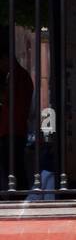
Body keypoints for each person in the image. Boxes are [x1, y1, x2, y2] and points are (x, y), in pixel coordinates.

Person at [0, 42, 34, 194]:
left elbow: (11, 102)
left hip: (13, 128)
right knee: (14, 165)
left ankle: (19, 194)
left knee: (14, 166)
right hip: (13, 128)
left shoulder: (17, 76)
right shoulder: (17, 76)